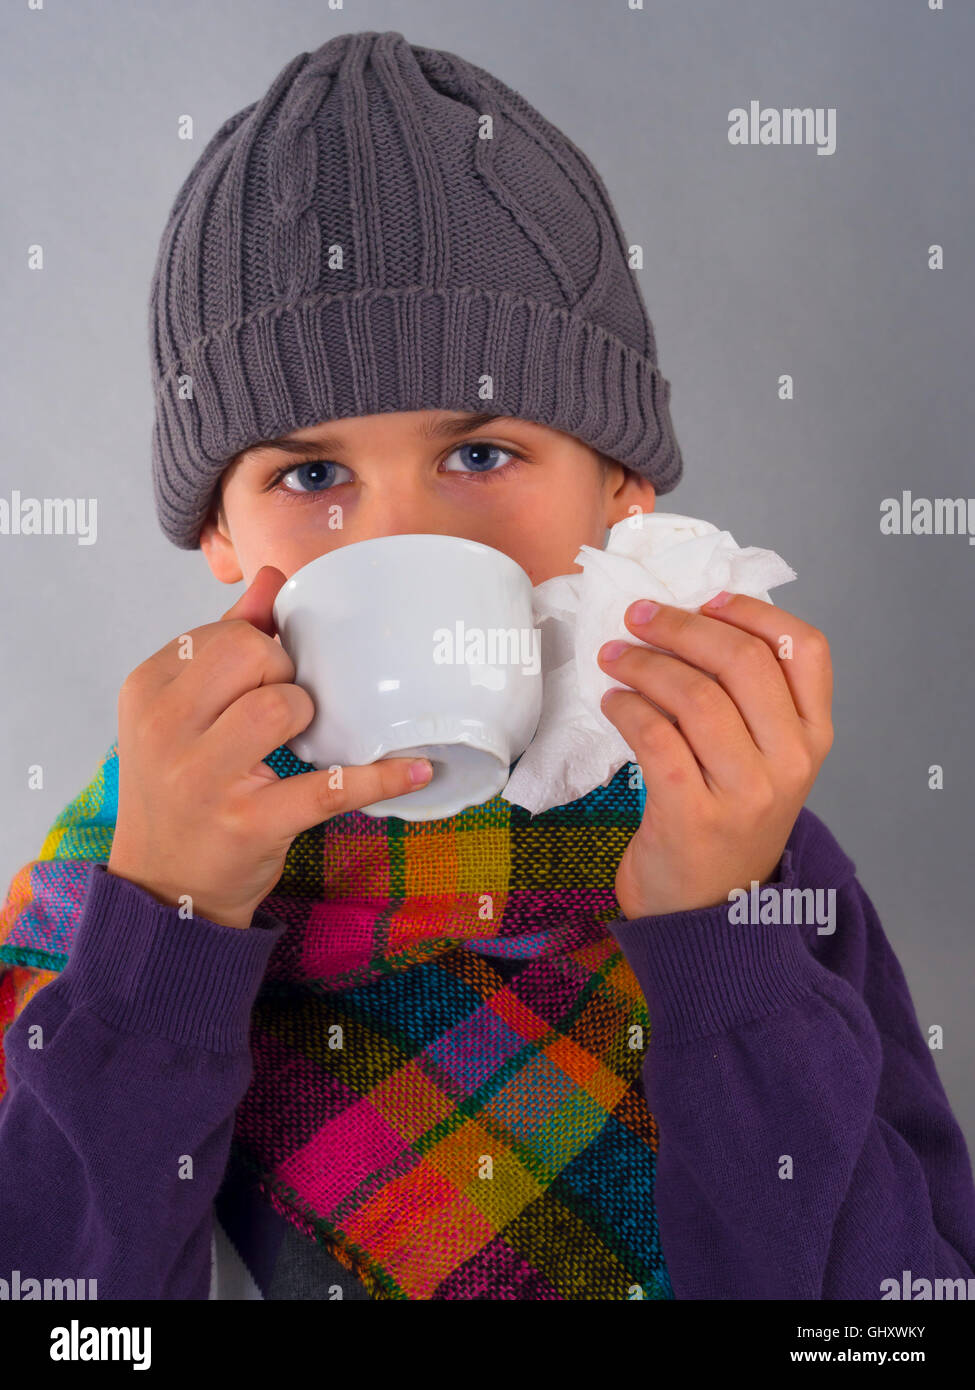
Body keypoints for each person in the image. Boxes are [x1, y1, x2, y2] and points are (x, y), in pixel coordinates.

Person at [1, 29, 974, 1302]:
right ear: (220, 534)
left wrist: (715, 932)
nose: (398, 535)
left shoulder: (741, 838)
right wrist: (168, 932)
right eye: (310, 472)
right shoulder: (126, 881)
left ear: (619, 487)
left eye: (479, 454)